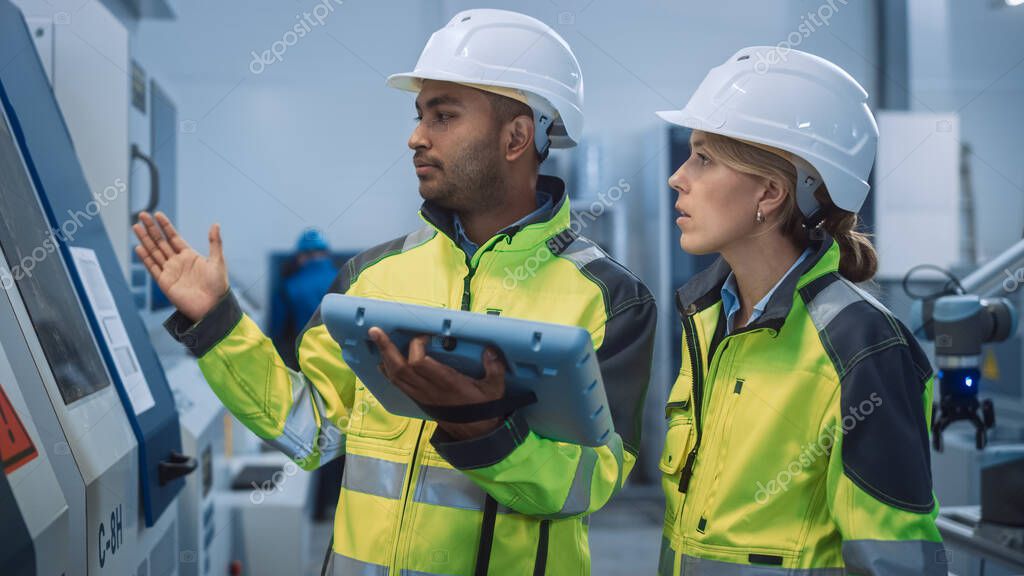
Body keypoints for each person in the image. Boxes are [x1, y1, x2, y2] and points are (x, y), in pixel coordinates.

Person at [133, 9, 656, 575]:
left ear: (516, 136)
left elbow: (590, 484)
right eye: (419, 115)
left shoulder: (609, 299)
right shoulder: (370, 276)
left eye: (444, 116)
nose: (416, 137)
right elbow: (311, 432)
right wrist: (217, 324)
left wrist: (484, 432)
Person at [654, 47, 946, 575]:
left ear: (769, 190)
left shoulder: (862, 346)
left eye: (703, 157)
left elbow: (896, 563)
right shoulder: (706, 318)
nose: (678, 176)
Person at [269, 228, 339, 370]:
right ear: (326, 253)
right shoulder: (346, 279)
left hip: (306, 359)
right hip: (342, 357)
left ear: (301, 256)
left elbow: (278, 330)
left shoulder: (288, 286)